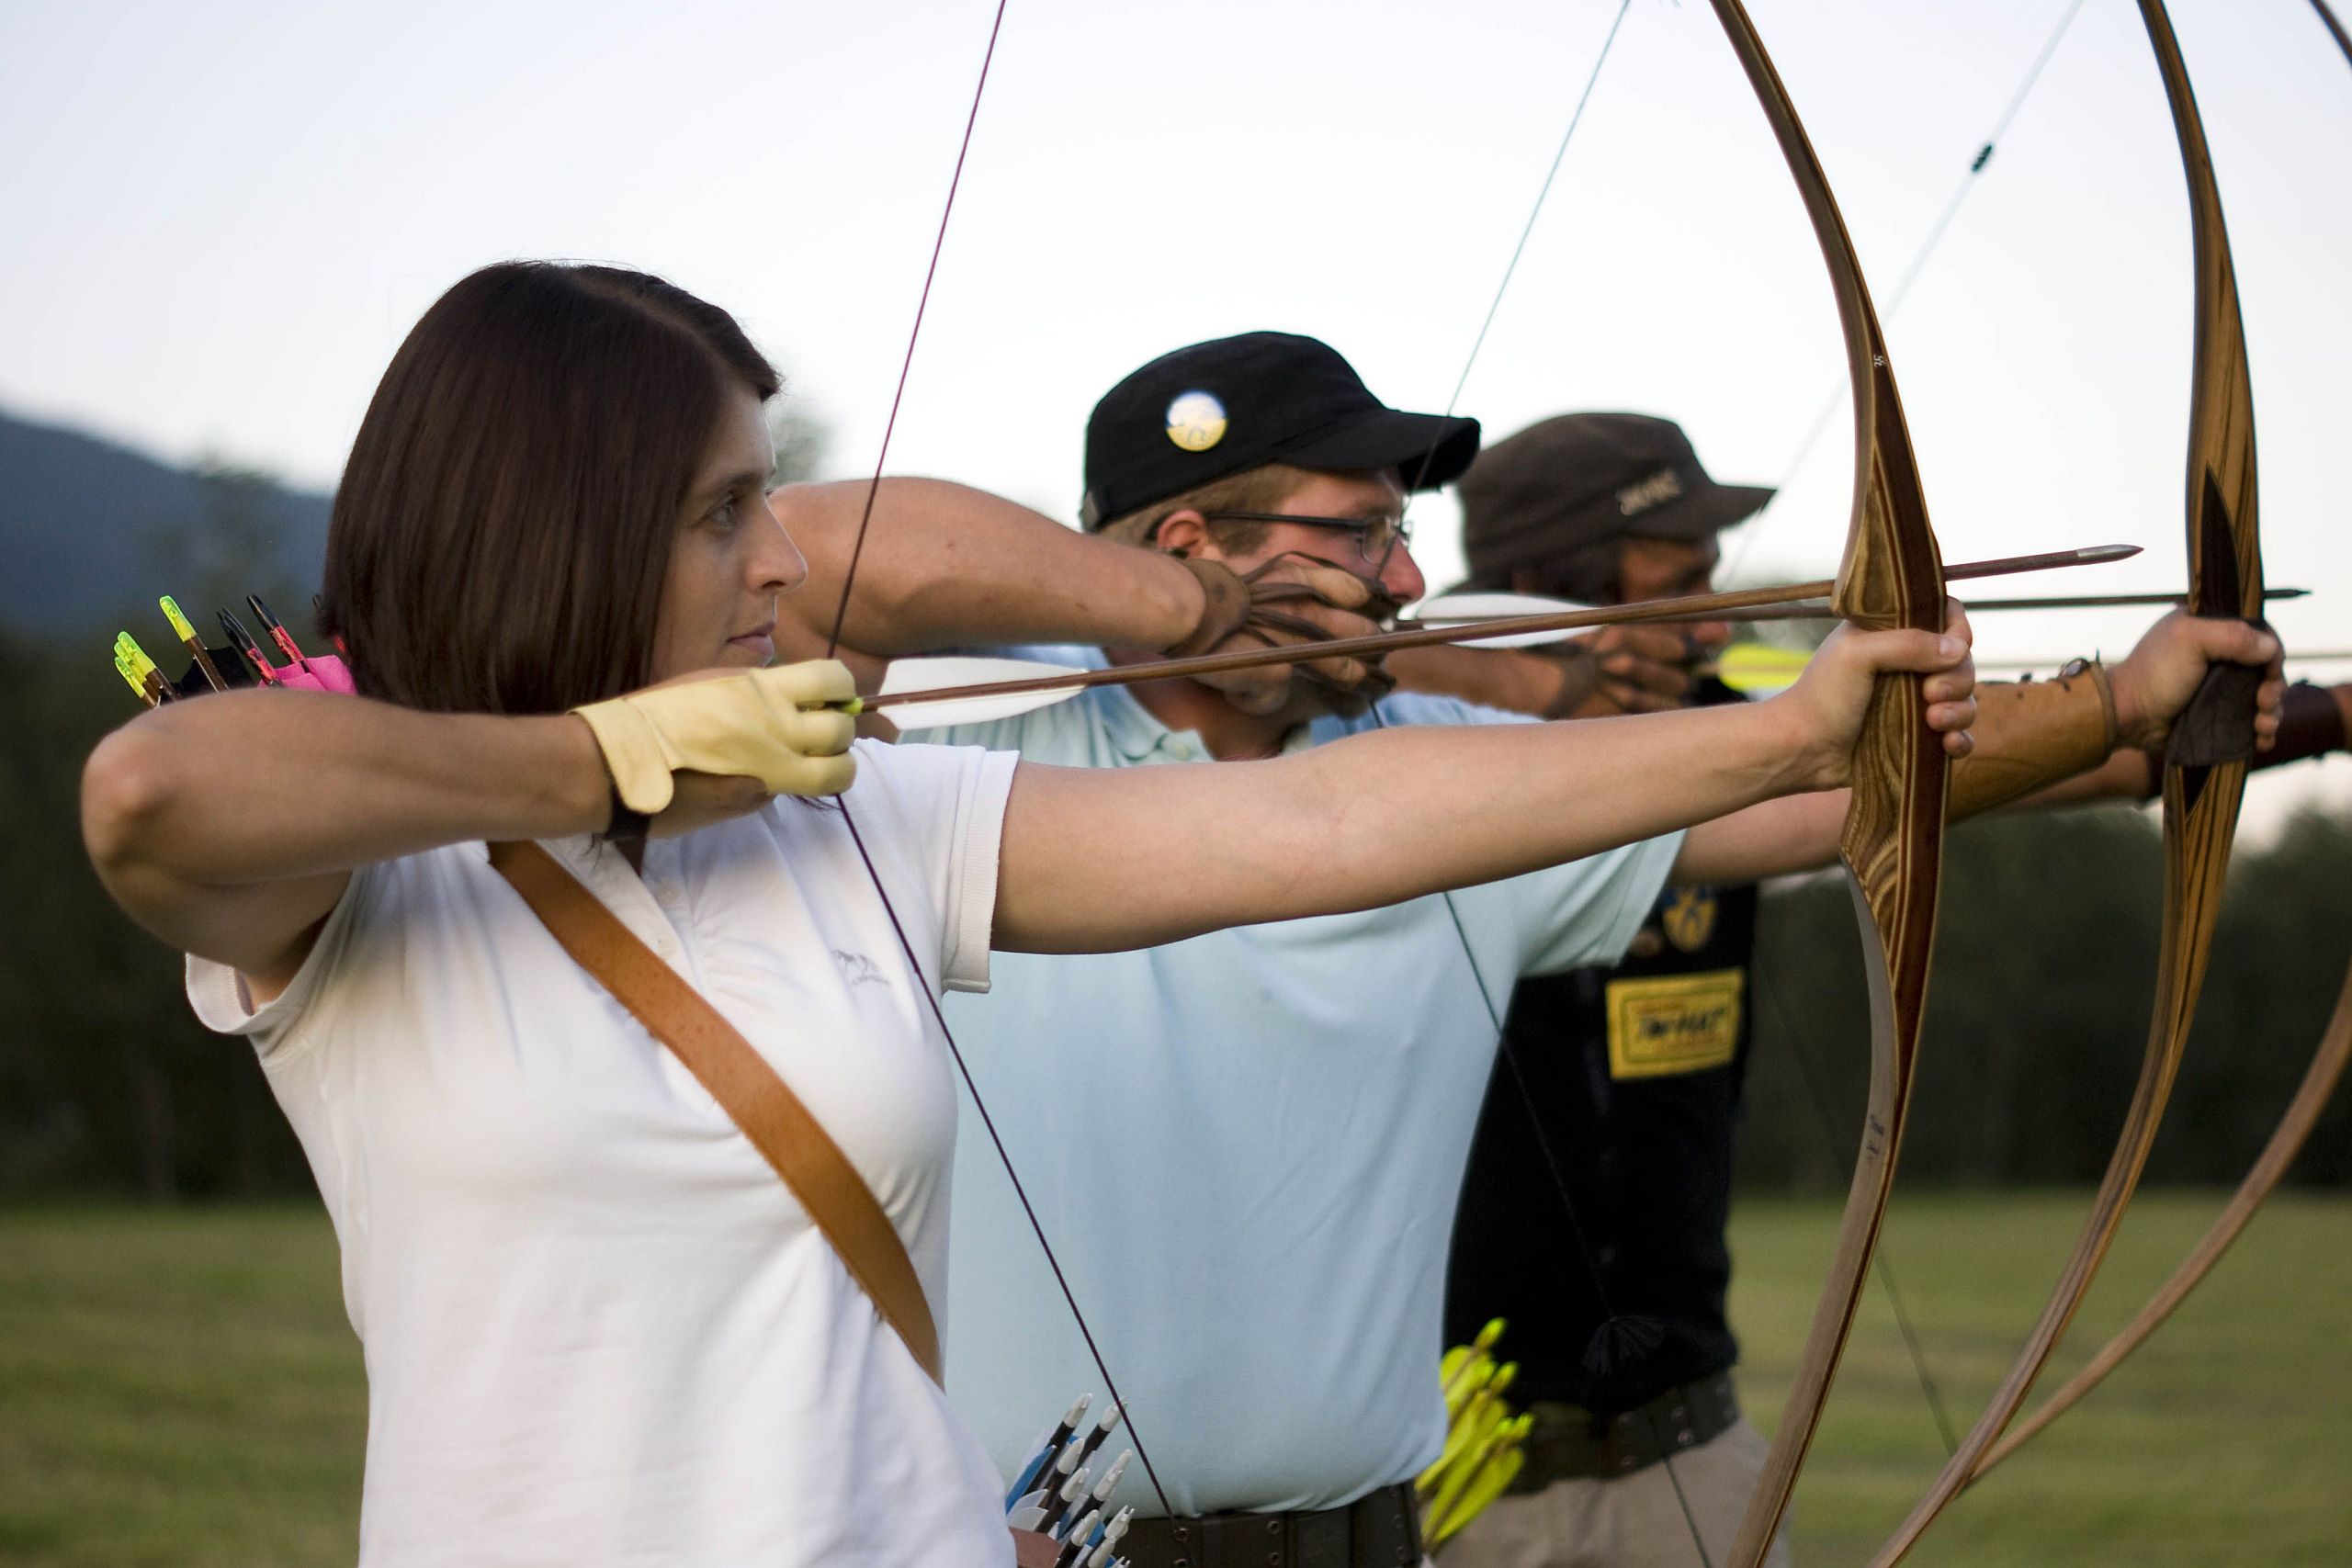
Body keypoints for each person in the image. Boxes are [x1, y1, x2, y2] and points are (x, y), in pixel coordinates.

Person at [77, 268, 1991, 1568]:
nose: (778, 560)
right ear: (565, 524)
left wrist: (1784, 739)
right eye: (720, 514)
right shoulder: (371, 885)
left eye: (769, 501)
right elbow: (159, 797)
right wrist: (614, 758)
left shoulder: (860, 816)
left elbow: (1327, 824)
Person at [746, 332, 2281, 1568]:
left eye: (1403, 537)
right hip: (1039, 1541)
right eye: (1359, 532)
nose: (1405, 581)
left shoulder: (1444, 766)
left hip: (1369, 1536)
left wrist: (2123, 705)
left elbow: (1813, 794)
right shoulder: (964, 753)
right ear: (1198, 537)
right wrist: (1195, 609)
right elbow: (817, 552)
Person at [1395, 412, 2343, 1568]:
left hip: (1691, 1450)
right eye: (1677, 572)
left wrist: (2297, 717)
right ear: (1555, 584)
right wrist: (1519, 673)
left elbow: (1981, 755)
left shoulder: (1745, 729)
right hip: (1453, 1472)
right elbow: (1299, 658)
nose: (1716, 600)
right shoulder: (1401, 759)